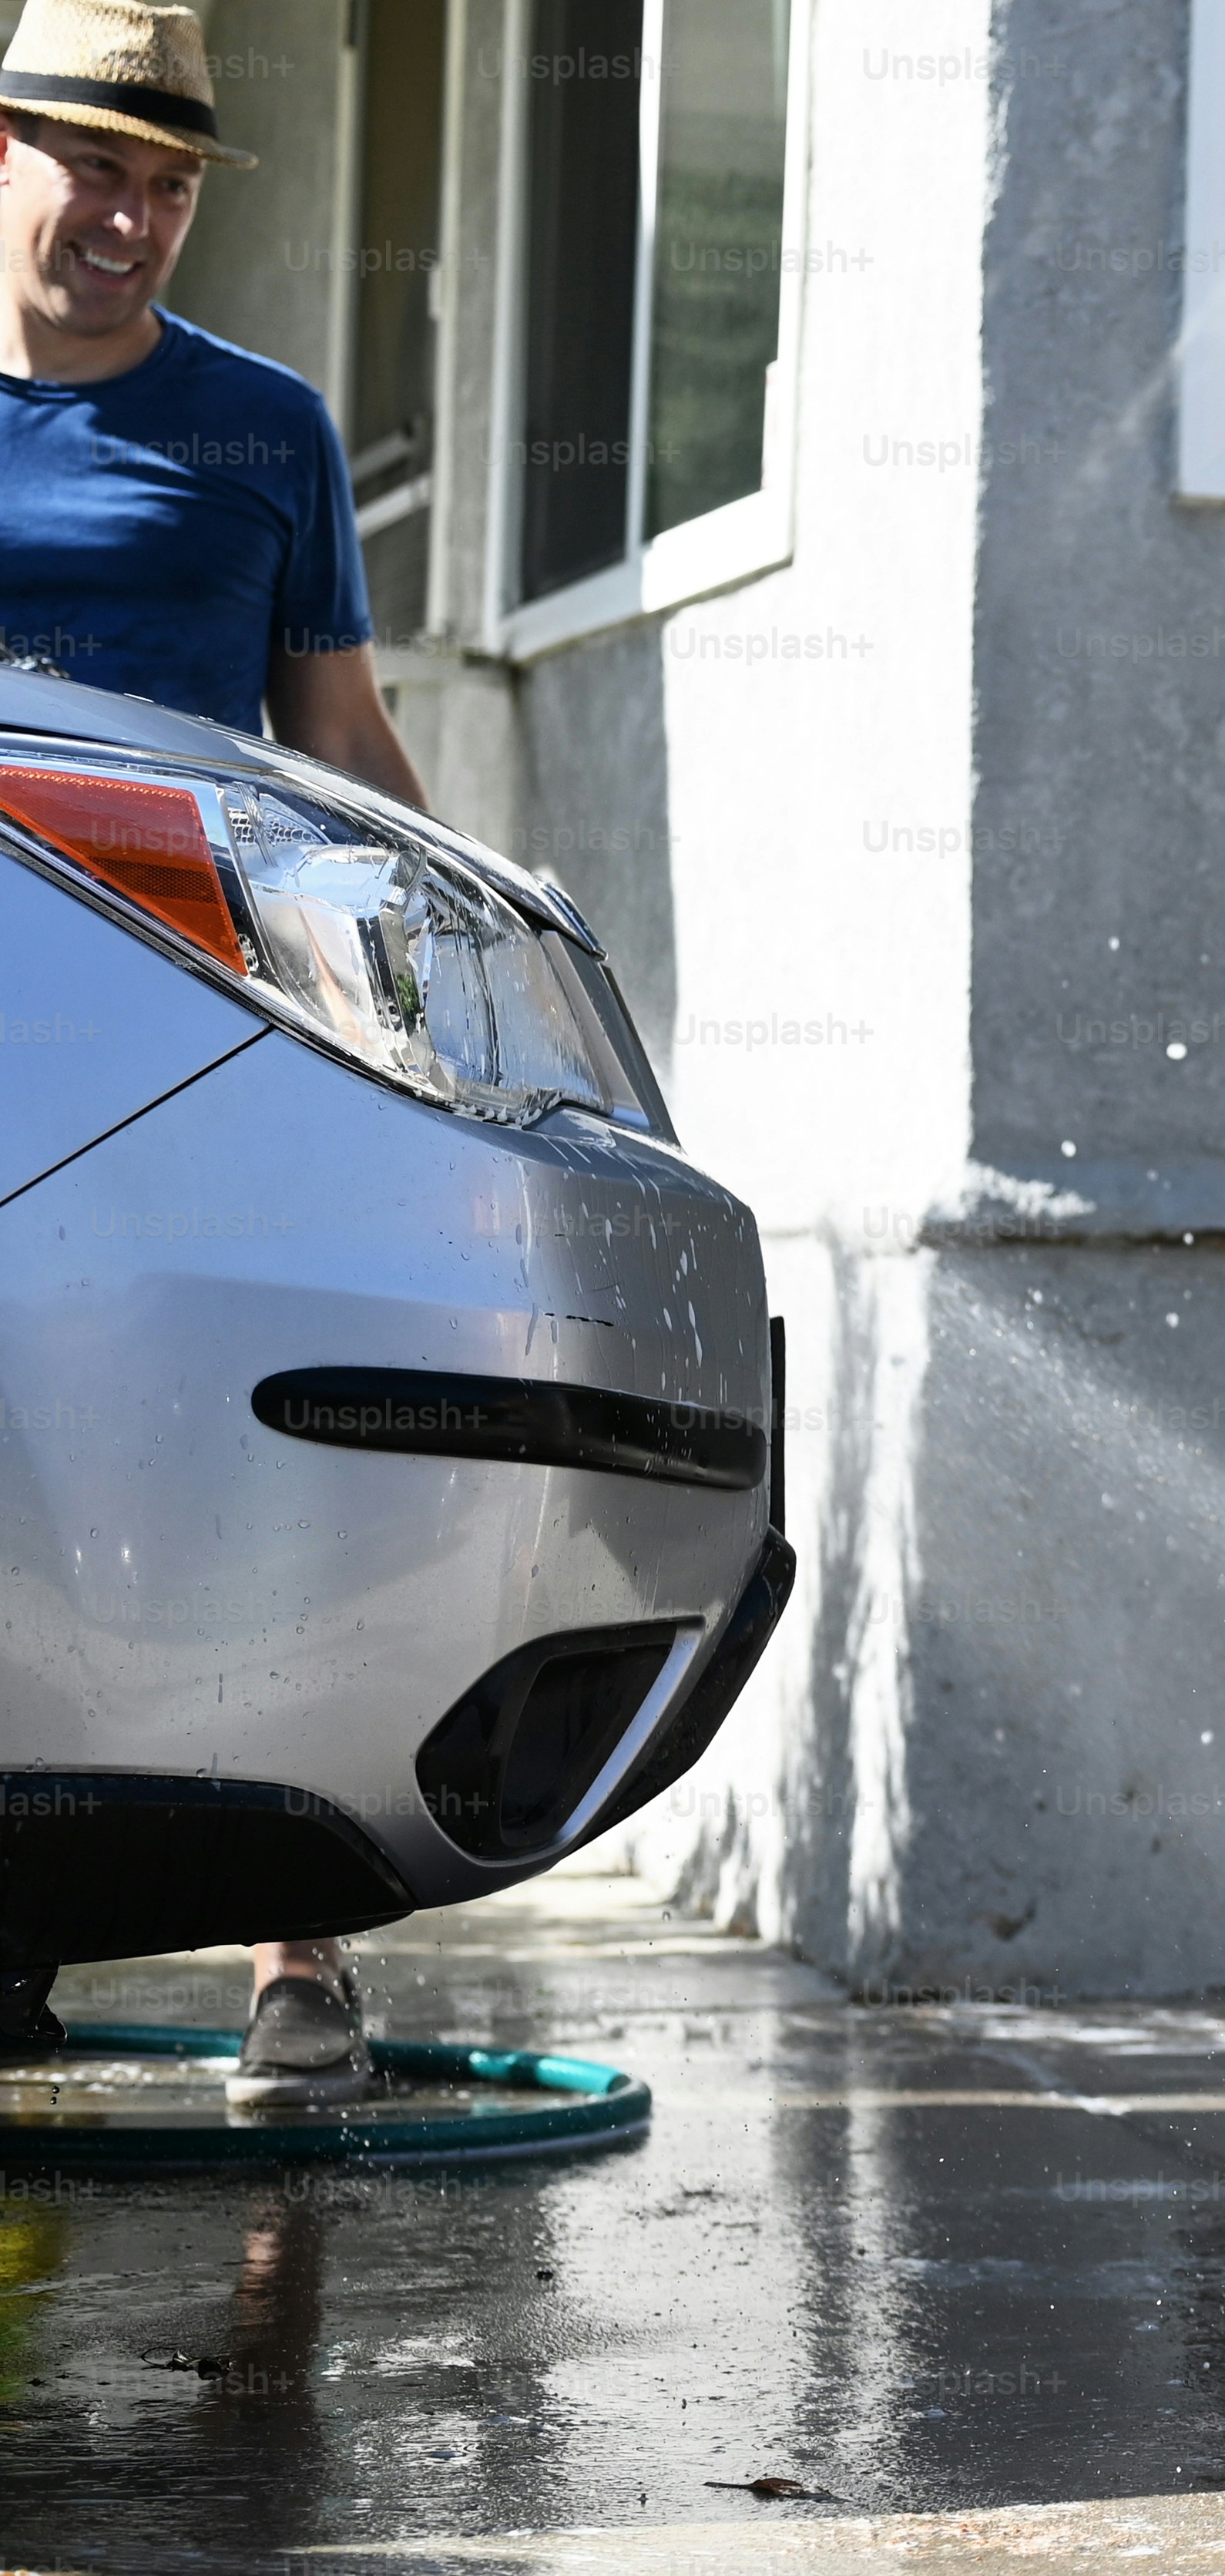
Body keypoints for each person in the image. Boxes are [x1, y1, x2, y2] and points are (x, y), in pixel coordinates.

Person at [0, 0, 425, 2104]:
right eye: (94, 166)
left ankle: (297, 1950)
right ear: (0, 155)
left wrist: (455, 992)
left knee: (220, 1452)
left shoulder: (262, 431)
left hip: (181, 1039)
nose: (133, 218)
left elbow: (341, 749)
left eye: (168, 184)